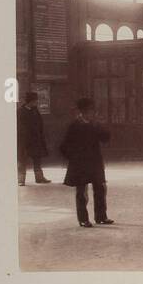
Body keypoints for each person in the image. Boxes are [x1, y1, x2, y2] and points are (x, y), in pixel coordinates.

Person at [60, 97, 112, 227]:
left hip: (95, 162)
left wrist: (102, 126)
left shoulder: (94, 124)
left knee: (100, 188)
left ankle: (101, 217)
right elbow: (64, 146)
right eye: (90, 111)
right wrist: (73, 159)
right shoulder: (74, 126)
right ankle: (83, 219)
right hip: (80, 164)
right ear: (83, 112)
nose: (93, 113)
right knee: (82, 192)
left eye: (93, 111)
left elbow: (105, 139)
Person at [16, 90, 51, 186]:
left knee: (37, 159)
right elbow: (19, 127)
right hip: (24, 140)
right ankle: (21, 179)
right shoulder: (20, 112)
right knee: (22, 160)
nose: (37, 102)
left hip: (35, 139)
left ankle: (39, 178)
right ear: (30, 101)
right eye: (35, 101)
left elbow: (39, 123)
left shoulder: (35, 110)